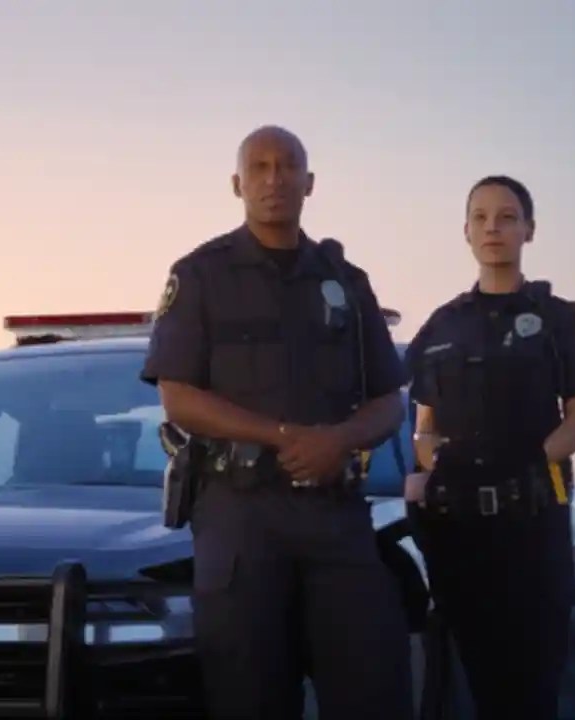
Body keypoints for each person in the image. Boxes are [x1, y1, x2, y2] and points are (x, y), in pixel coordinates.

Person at [141, 125, 414, 719]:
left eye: (287, 166)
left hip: (336, 517)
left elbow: (389, 401)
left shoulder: (346, 282)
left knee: (375, 691)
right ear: (238, 184)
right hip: (240, 520)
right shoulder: (201, 276)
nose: (274, 179)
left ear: (309, 183)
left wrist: (337, 441)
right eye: (259, 168)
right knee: (250, 700)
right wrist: (285, 438)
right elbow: (178, 396)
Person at [404, 175, 575, 718]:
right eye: (480, 217)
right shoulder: (442, 326)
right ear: (466, 233)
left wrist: (522, 463)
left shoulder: (558, 318)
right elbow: (423, 426)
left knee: (531, 692)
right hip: (460, 537)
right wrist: (437, 461)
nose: (492, 227)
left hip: (531, 529)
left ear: (529, 230)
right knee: (469, 689)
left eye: (507, 216)